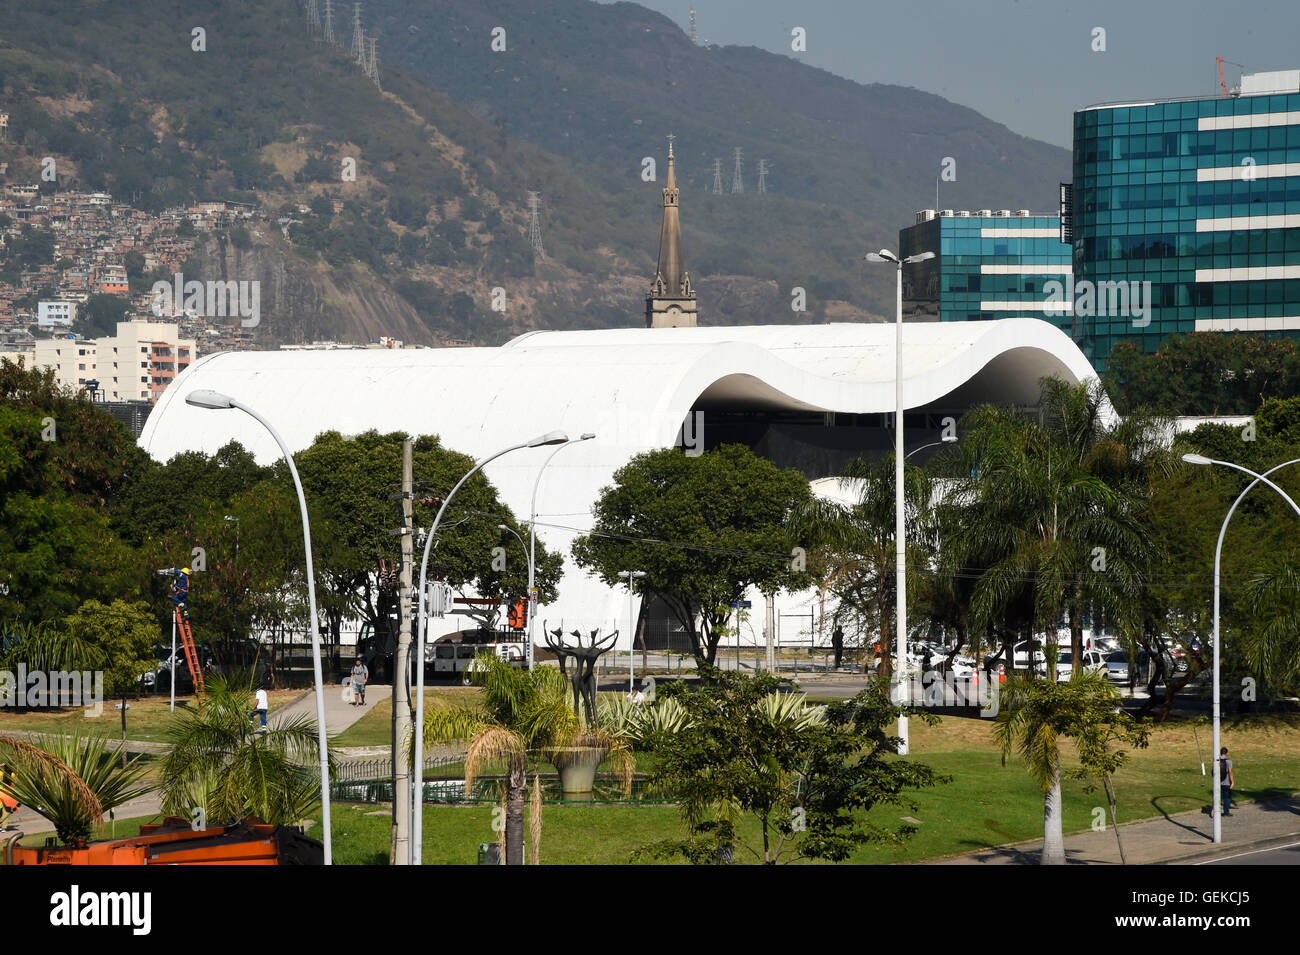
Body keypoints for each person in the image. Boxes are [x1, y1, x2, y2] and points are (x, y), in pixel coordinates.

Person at [0, 763, 18, 829]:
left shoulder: (1, 773)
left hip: (1, 792)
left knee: (1, 810)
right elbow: (13, 784)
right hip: (8, 793)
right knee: (6, 811)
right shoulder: (13, 775)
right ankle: (3, 827)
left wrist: (1, 765)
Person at [1220, 746, 1234, 816]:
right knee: (1227, 797)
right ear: (1226, 753)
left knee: (1218, 796)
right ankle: (1226, 812)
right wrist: (1232, 782)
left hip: (1218, 782)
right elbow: (1230, 772)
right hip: (1226, 782)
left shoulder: (1216, 760)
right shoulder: (1229, 761)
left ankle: (1215, 809)